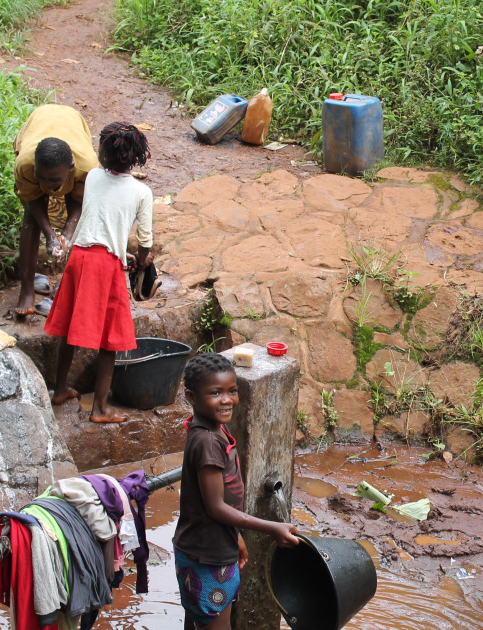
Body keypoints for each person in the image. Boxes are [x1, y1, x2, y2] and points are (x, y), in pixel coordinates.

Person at [173, 353, 300, 630]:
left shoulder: (214, 429)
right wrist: (272, 527)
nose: (227, 399)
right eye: (215, 393)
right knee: (215, 622)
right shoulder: (206, 442)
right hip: (205, 556)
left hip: (213, 546)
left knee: (204, 621)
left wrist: (235, 537)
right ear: (192, 397)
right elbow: (216, 507)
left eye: (232, 391)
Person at [43, 122, 154, 423]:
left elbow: (102, 218)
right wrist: (141, 260)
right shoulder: (141, 192)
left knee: (68, 326)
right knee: (110, 337)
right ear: (134, 159)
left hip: (79, 258)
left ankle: (60, 388)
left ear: (104, 154)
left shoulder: (92, 176)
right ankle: (101, 408)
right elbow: (145, 241)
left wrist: (121, 248)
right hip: (106, 265)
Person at [13, 104, 99, 318]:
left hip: (72, 121)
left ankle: (65, 287)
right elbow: (32, 199)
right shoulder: (24, 163)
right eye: (40, 178)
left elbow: (81, 203)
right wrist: (50, 234)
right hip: (39, 121)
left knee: (75, 206)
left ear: (70, 167)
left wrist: (67, 236)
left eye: (54, 181)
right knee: (30, 222)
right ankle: (26, 289)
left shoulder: (88, 170)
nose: (46, 186)